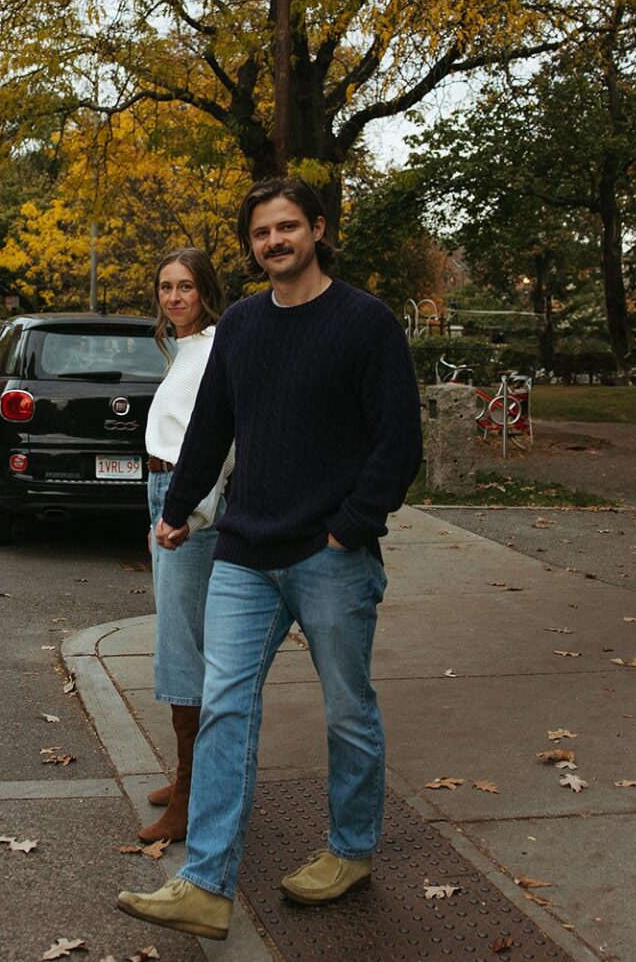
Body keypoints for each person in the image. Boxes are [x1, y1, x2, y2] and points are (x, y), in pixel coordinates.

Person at [117, 177, 423, 940]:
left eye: (288, 227)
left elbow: (398, 443)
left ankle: (351, 850)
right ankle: (207, 883)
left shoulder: (366, 323)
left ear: (317, 230)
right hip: (246, 553)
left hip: (329, 555)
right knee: (224, 704)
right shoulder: (244, 326)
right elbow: (212, 428)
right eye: (261, 233)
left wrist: (351, 527)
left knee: (348, 711)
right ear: (251, 247)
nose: (275, 241)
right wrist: (182, 509)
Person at [137, 248, 232, 845]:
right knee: (179, 635)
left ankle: (193, 792)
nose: (174, 298)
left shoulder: (217, 348)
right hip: (163, 489)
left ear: (206, 292)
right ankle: (187, 778)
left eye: (186, 287)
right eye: (166, 287)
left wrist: (191, 512)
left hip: (186, 500)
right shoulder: (184, 349)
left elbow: (223, 439)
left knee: (182, 646)